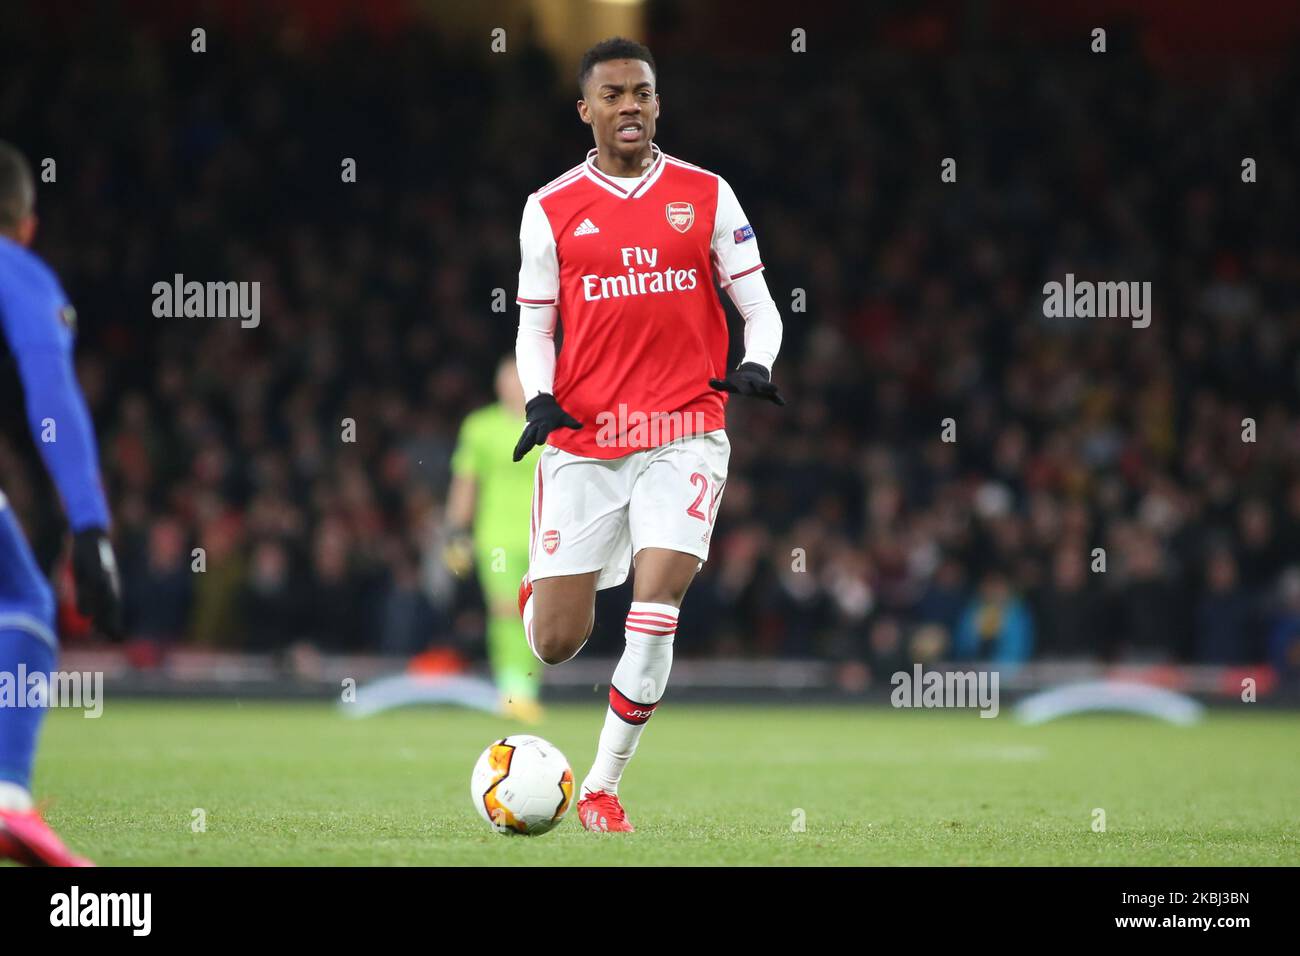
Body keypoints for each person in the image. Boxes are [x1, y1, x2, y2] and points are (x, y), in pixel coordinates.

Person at [511, 38, 784, 831]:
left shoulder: (706, 194)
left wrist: (756, 362)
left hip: (684, 428)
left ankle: (601, 786)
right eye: (615, 94)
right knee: (555, 643)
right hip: (586, 436)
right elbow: (535, 329)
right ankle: (551, 586)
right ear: (586, 110)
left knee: (658, 597)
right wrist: (538, 397)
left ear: (658, 104)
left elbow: (760, 307)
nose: (630, 105)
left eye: (643, 92)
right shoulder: (550, 207)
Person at [0, 141, 123, 865]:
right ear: (26, 223)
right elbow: (53, 395)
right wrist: (91, 527)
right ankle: (8, 799)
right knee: (21, 598)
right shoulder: (17, 271)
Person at [445, 357, 544, 721]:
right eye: (507, 380)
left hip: (545, 534)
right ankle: (515, 689)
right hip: (496, 538)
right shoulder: (480, 427)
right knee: (506, 609)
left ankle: (529, 685)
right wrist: (456, 532)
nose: (513, 386)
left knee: (541, 612)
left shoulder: (549, 420)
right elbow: (466, 482)